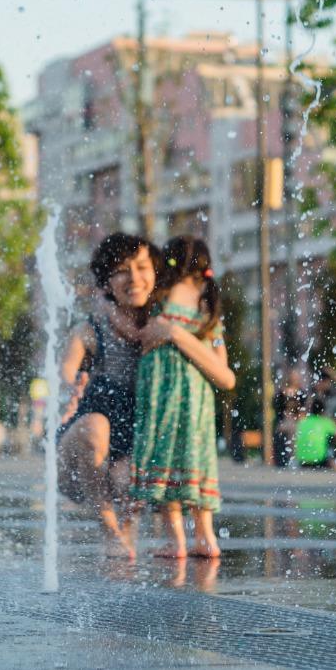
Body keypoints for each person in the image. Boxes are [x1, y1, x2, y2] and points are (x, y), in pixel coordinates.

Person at [131, 236, 236, 560]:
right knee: (195, 458)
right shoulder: (205, 306)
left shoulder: (159, 299)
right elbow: (223, 365)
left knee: (164, 458)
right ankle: (206, 537)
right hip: (195, 398)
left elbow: (142, 337)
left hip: (160, 392)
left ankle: (175, 540)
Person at [57, 233, 157, 558]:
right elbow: (66, 366)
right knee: (95, 425)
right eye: (122, 271)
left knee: (132, 469)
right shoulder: (92, 329)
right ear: (107, 282)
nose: (135, 278)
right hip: (78, 458)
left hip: (127, 457)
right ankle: (110, 530)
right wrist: (69, 383)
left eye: (142, 267)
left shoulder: (164, 326)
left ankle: (126, 530)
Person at [272, 367, 306, 467]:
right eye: (292, 376)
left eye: (296, 376)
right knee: (289, 428)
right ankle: (290, 458)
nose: (294, 378)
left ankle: (293, 458)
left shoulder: (301, 393)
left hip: (297, 421)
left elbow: (303, 411)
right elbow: (277, 410)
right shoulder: (281, 393)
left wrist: (297, 417)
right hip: (284, 421)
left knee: (294, 428)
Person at [295, 399, 336, 469]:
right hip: (319, 461)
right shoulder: (326, 422)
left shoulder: (302, 422)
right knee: (332, 440)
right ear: (323, 411)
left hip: (302, 460)